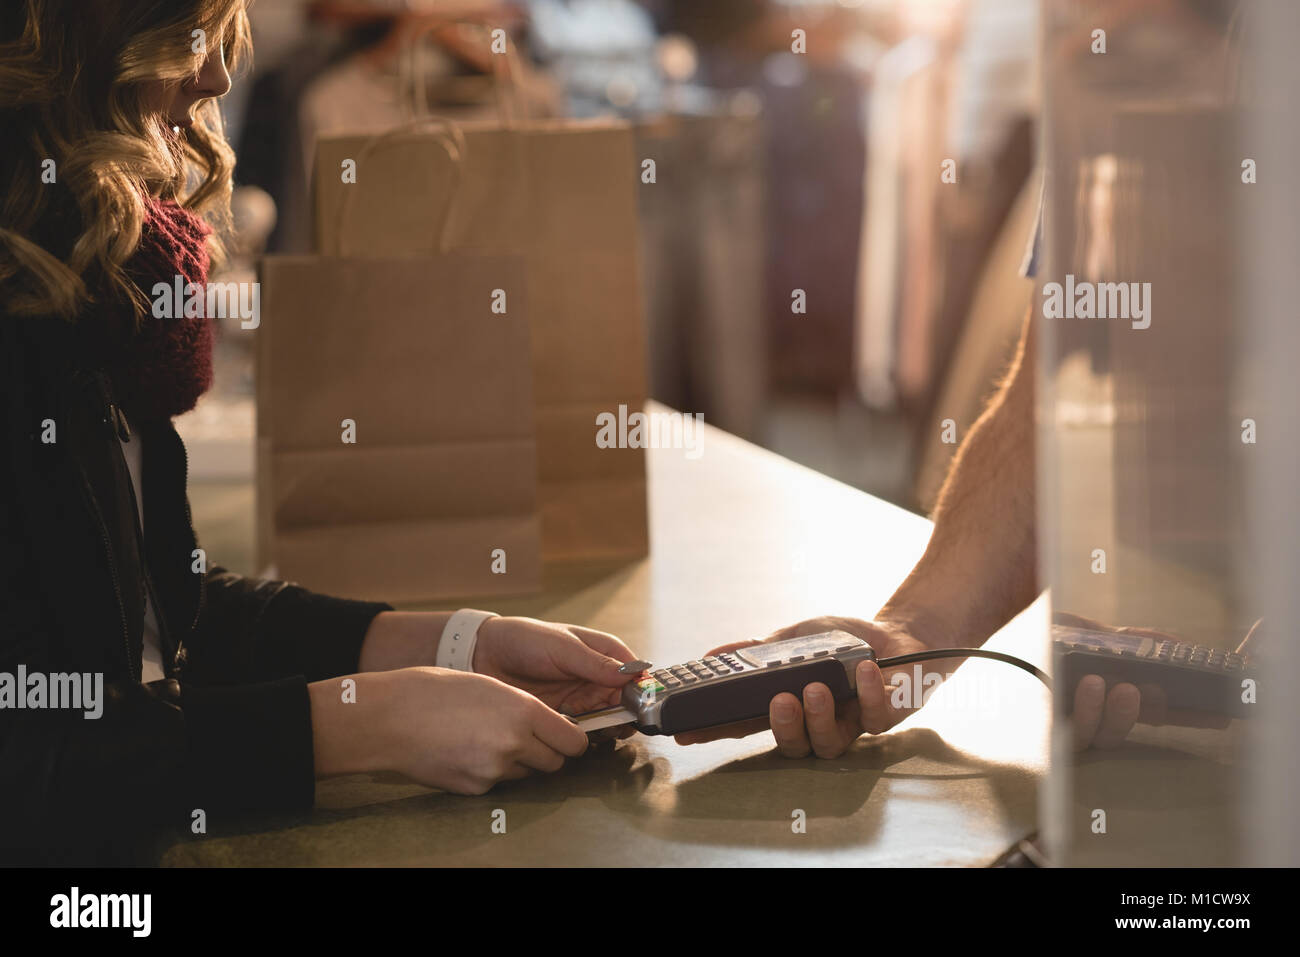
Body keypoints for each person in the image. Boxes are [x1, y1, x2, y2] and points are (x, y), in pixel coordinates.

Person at [0, 0, 632, 864]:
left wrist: (461, 642)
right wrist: (362, 726)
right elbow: (33, 757)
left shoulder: (107, 277)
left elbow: (164, 621)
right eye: (190, 34)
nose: (220, 75)